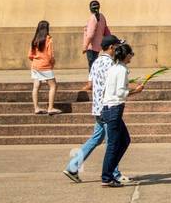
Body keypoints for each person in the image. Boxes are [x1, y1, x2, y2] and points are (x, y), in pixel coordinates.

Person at [63, 34, 123, 183]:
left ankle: (73, 166)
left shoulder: (96, 62)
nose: (118, 49)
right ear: (111, 47)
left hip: (97, 108)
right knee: (112, 142)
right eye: (117, 46)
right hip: (108, 108)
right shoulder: (112, 65)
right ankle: (113, 173)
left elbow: (89, 85)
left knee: (96, 138)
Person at [99, 42, 144, 188]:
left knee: (124, 140)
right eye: (131, 54)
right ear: (126, 55)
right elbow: (120, 92)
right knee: (113, 144)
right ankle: (107, 177)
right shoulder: (122, 70)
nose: (132, 56)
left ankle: (110, 173)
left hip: (109, 108)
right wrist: (135, 91)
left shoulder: (115, 68)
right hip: (114, 108)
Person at [28, 20, 59, 115]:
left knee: (36, 86)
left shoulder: (34, 40)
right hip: (45, 66)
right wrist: (53, 63)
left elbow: (30, 55)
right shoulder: (48, 39)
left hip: (35, 66)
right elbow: (50, 55)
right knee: (53, 86)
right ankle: (50, 108)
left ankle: (36, 107)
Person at [83, 0, 110, 69]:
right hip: (98, 46)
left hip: (91, 47)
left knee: (92, 67)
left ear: (90, 8)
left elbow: (90, 35)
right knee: (95, 65)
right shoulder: (102, 17)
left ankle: (92, 79)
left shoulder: (92, 18)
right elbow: (106, 31)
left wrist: (85, 46)